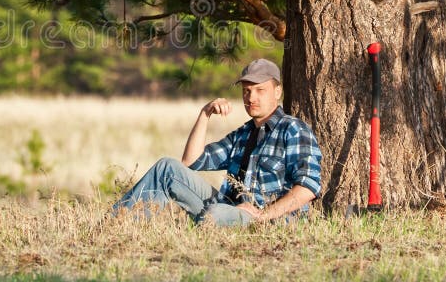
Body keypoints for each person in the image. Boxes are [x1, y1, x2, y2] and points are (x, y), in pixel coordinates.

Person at [112, 59, 322, 226]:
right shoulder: (244, 133)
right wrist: (205, 113)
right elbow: (191, 161)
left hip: (269, 221)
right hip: (230, 209)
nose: (251, 98)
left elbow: (308, 187)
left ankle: (215, 222)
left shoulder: (292, 129)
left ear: (277, 92)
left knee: (214, 214)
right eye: (246, 91)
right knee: (167, 168)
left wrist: (262, 215)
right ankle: (115, 226)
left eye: (260, 90)